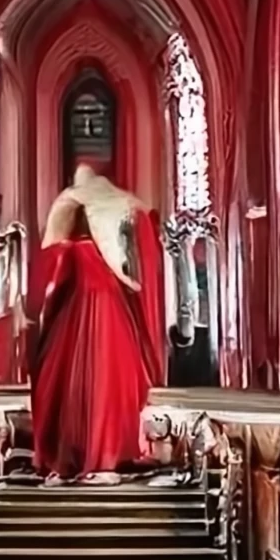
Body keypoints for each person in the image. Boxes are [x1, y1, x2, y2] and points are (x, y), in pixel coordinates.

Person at [27, 165, 164, 483]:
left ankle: (79, 455)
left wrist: (38, 310)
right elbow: (140, 252)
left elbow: (51, 262)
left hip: (75, 310)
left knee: (67, 382)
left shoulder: (70, 204)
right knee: (110, 379)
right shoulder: (123, 203)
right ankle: (106, 454)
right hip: (112, 310)